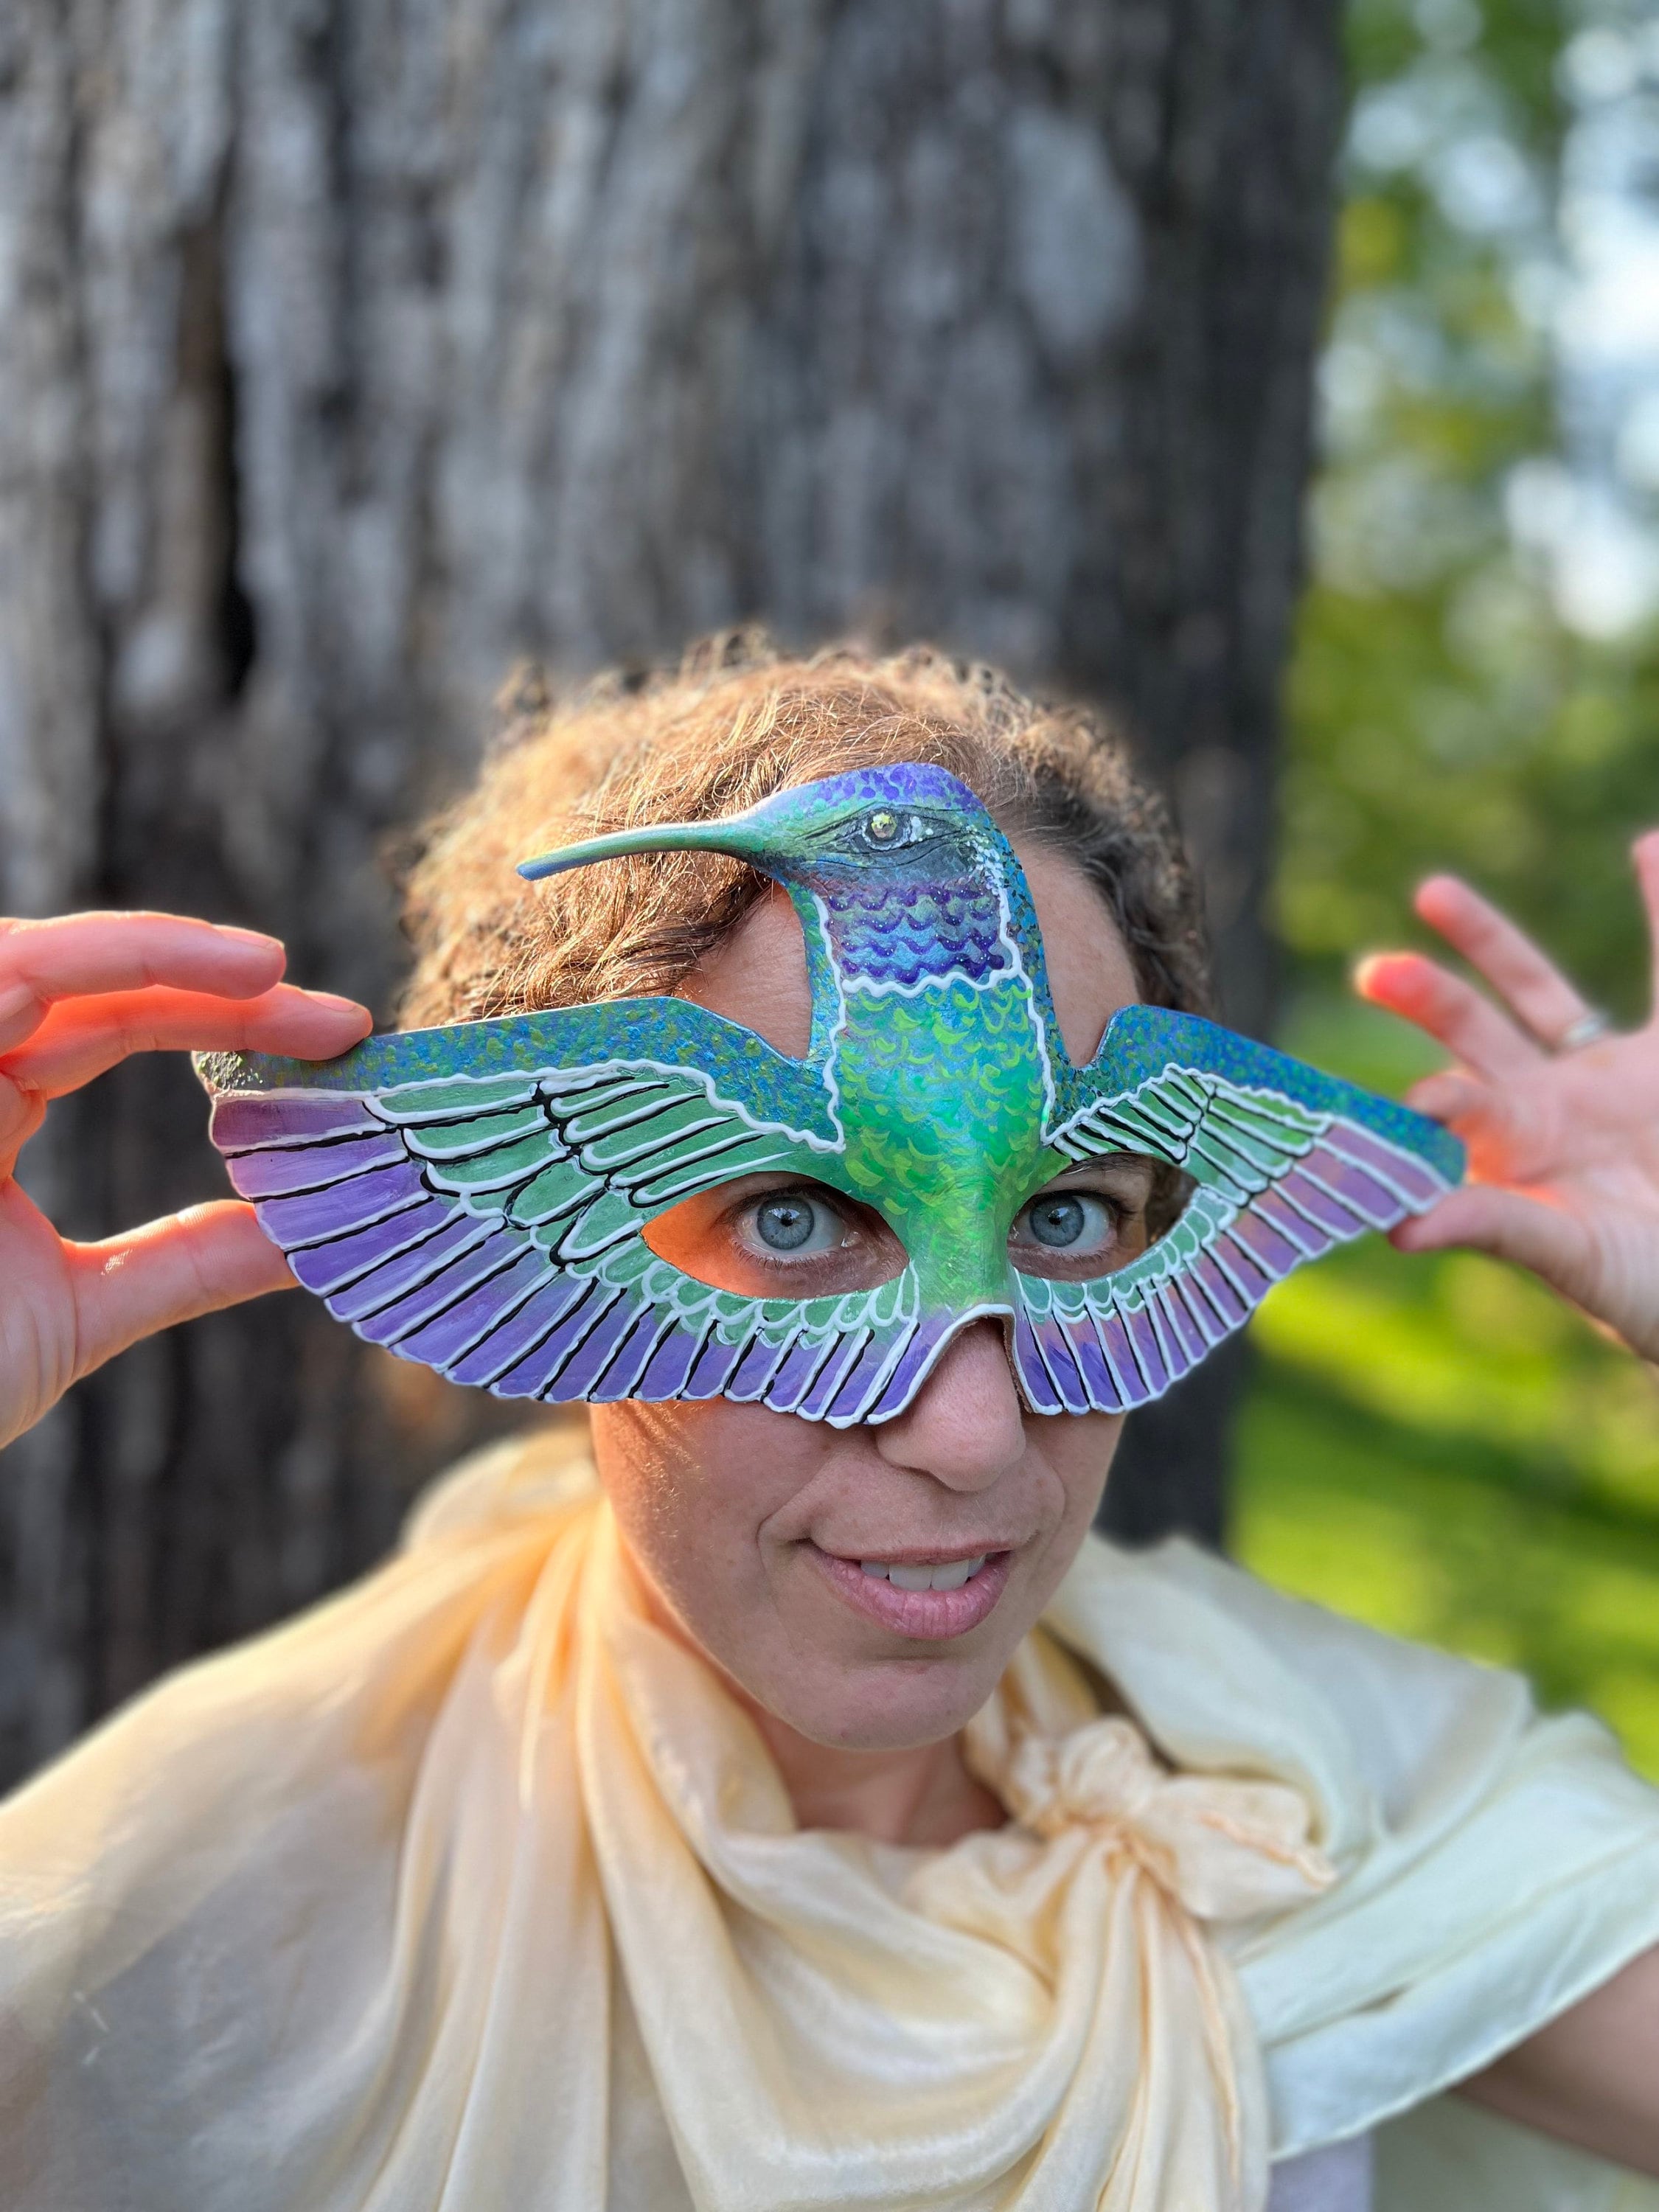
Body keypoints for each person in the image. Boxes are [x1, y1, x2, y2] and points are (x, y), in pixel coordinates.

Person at [1, 641, 1658, 2212]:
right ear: (527, 1242)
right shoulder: (213, 1921)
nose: (973, 1434)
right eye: (797, 1221)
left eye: (1069, 1217)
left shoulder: (1305, 1799)